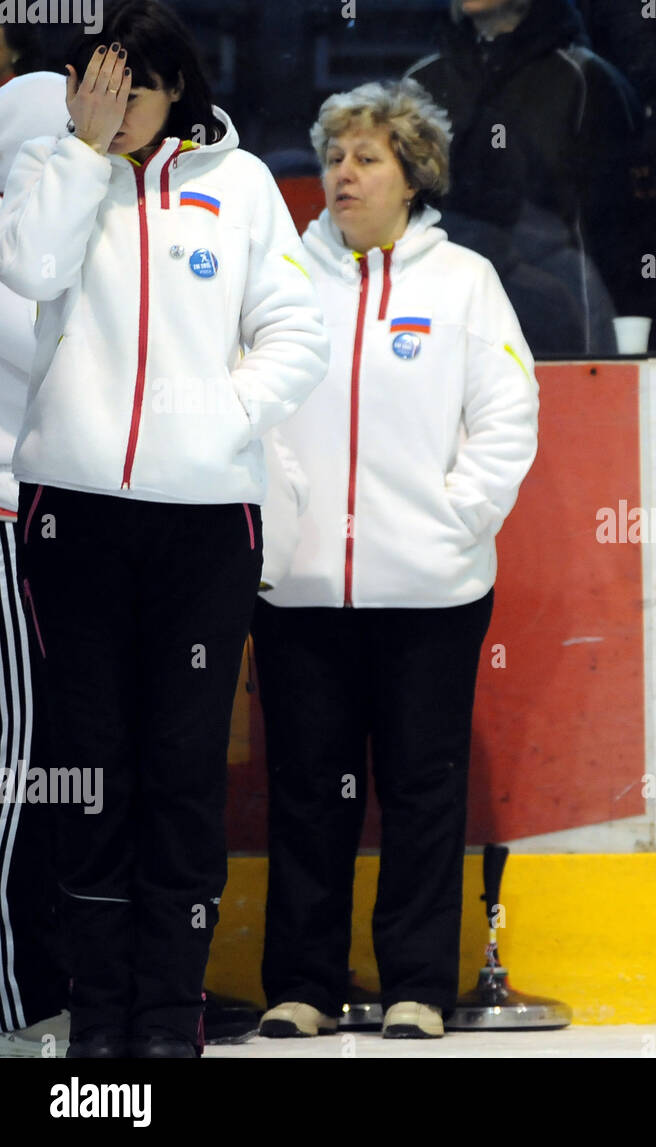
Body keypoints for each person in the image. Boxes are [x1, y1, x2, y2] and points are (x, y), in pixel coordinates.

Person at [0, 0, 328, 1058]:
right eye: (91, 85)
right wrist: (82, 154)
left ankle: (168, 1020)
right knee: (91, 769)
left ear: (174, 85)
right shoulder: (57, 170)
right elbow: (29, 274)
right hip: (74, 515)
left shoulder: (239, 190)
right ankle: (97, 1020)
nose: (111, 106)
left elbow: (296, 332)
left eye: (129, 86)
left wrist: (219, 421)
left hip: (204, 526)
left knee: (182, 773)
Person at [252, 79, 538, 1041]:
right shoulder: (280, 276)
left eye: (366, 157)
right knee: (305, 789)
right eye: (334, 156)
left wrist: (450, 520)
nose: (343, 173)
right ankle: (303, 984)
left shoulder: (464, 283)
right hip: (298, 593)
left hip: (431, 592)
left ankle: (419, 985)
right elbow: (245, 406)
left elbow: (508, 417)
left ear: (411, 175)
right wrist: (280, 524)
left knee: (422, 789)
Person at [404, 0, 641, 357]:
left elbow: (621, 233)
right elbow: (400, 221)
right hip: (437, 322)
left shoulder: (588, 80)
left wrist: (630, 339)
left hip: (563, 331)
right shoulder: (421, 84)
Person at [0, 69, 71, 1060]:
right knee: (21, 776)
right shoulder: (30, 251)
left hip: (61, 523)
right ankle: (24, 1010)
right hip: (13, 517)